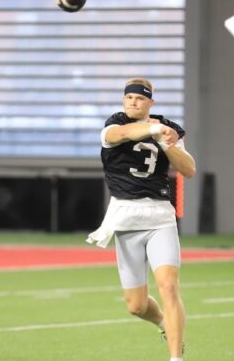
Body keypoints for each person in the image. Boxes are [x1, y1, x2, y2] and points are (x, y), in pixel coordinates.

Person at [87, 78, 196, 361]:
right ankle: (163, 324)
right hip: (126, 218)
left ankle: (176, 357)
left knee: (169, 286)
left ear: (151, 103)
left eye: (140, 98)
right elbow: (119, 135)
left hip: (160, 217)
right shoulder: (115, 123)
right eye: (129, 98)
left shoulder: (166, 128)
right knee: (136, 305)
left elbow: (189, 169)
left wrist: (166, 141)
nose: (133, 102)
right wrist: (153, 129)